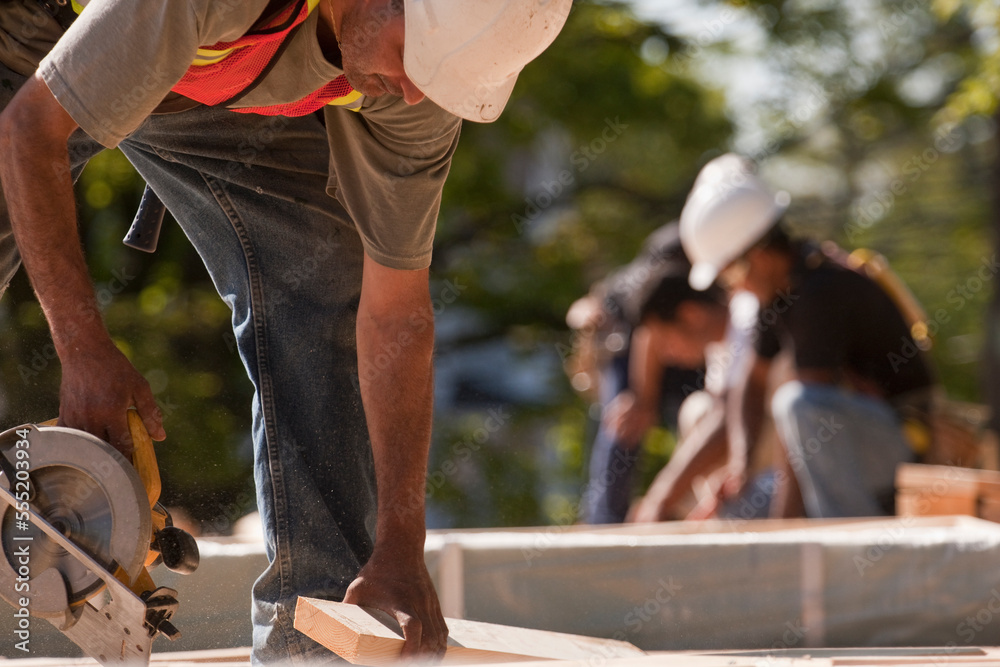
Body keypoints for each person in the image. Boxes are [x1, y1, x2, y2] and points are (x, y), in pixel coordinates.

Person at [0, 0, 571, 663]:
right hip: (39, 35)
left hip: (202, 86)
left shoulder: (423, 84)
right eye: (414, 60)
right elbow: (28, 129)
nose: (417, 89)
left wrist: (400, 542)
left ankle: (313, 638)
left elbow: (397, 316)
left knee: (321, 269)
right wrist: (82, 348)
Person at [678, 154, 936, 519]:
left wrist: (783, 530)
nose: (731, 290)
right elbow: (751, 383)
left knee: (799, 404)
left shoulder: (822, 290)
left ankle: (852, 547)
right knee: (738, 511)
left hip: (900, 446)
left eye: (728, 275)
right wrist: (741, 468)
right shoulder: (778, 294)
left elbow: (808, 423)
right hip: (849, 450)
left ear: (759, 256)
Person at [567, 223, 703, 524]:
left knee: (702, 415)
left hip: (675, 339)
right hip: (626, 340)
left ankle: (695, 506)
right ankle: (603, 520)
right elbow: (649, 327)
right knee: (626, 421)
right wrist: (644, 397)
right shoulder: (677, 244)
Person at [628, 274, 786, 523]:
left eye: (666, 341)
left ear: (691, 314)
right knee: (698, 410)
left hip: (789, 441)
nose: (668, 356)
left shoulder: (747, 316)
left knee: (701, 413)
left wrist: (661, 498)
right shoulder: (719, 345)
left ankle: (710, 513)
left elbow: (726, 422)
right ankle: (706, 513)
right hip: (763, 442)